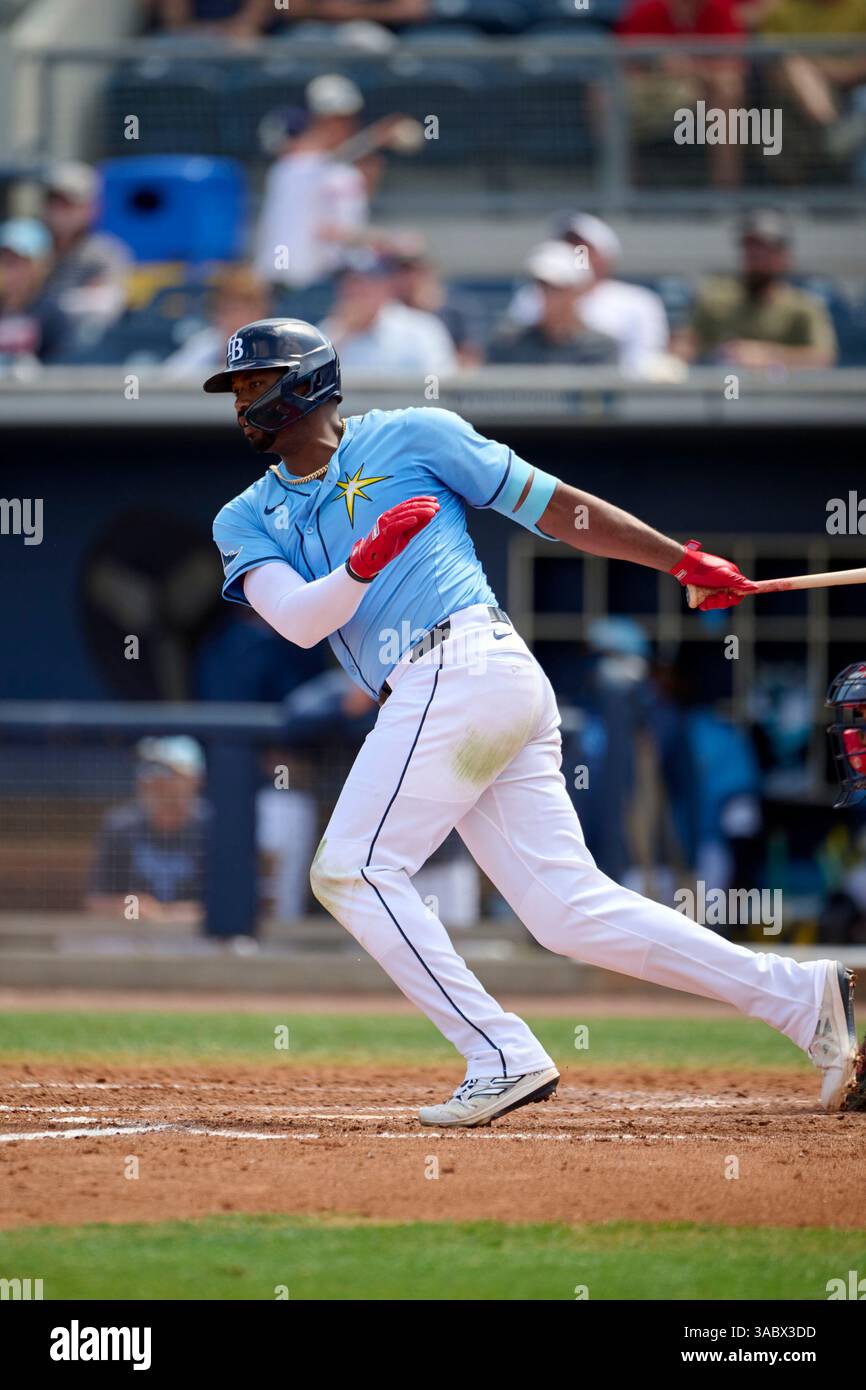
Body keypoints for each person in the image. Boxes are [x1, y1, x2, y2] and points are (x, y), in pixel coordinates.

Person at [205, 316, 857, 1127]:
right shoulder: (244, 516)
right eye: (235, 387)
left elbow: (559, 512)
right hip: (442, 689)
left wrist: (680, 562)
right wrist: (365, 560)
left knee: (352, 869)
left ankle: (500, 1053)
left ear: (307, 382)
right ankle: (802, 998)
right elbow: (300, 621)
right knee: (566, 911)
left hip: (470, 663)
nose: (243, 402)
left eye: (255, 382)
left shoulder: (417, 434)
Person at [506, 215, 670, 375]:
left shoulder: (638, 301)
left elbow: (644, 365)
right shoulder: (529, 297)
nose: (575, 252)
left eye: (582, 247)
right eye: (568, 243)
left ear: (605, 255)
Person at [675, 210, 838, 368]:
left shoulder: (804, 307)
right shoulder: (714, 299)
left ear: (783, 256)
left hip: (782, 393)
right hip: (726, 389)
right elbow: (686, 344)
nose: (756, 256)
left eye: (765, 249)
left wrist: (766, 356)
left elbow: (823, 358)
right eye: (750, 248)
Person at [254, 75, 369, 290]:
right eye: (326, 121)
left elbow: (341, 232)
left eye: (342, 121)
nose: (336, 128)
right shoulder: (289, 169)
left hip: (321, 284)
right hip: (278, 282)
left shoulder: (344, 174)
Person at [617, 0, 747, 186]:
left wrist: (691, 68)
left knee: (729, 88)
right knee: (603, 95)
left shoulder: (720, 10)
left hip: (699, 90)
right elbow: (622, 64)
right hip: (652, 87)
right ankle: (622, 190)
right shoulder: (646, 10)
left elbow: (734, 69)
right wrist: (658, 63)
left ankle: (726, 191)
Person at [86, 737, 209, 925]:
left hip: (201, 940)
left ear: (194, 779)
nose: (154, 780)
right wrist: (134, 908)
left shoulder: (214, 827)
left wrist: (176, 914)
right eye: (148, 770)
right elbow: (96, 902)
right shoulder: (121, 826)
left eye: (167, 772)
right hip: (133, 938)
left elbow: (235, 902)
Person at [37, 162, 131, 349]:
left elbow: (106, 306)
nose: (59, 210)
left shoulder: (106, 253)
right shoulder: (31, 246)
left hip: (81, 353)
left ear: (91, 208)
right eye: (53, 201)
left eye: (69, 203)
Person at [320, 251, 457, 376]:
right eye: (348, 282)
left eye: (364, 282)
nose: (353, 290)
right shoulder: (328, 332)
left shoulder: (422, 329)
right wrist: (343, 335)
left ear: (386, 286)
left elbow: (438, 388)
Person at [488, 241, 619, 367]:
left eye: (554, 288)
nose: (545, 295)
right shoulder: (510, 344)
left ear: (576, 292)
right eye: (540, 286)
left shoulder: (599, 347)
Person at [163, 266, 271, 375]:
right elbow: (165, 379)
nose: (234, 320)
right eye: (226, 311)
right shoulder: (202, 345)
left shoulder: (278, 347)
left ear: (261, 313)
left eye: (243, 311)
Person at [0, 217, 71, 367]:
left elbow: (62, 366)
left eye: (20, 263)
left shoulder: (51, 315)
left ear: (41, 267)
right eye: (5, 261)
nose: (10, 271)